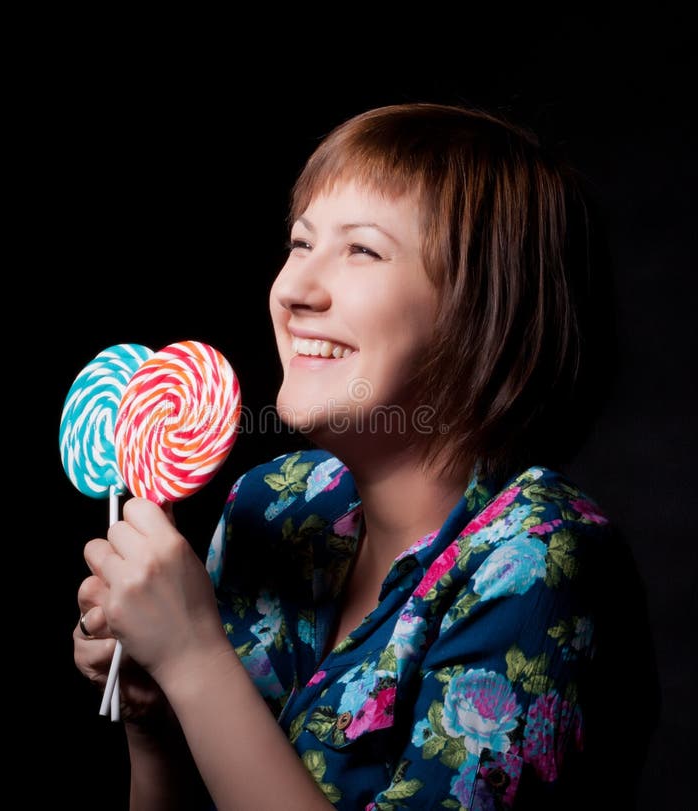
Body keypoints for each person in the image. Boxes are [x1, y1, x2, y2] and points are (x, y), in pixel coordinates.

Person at [73, 103, 657, 809]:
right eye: (299, 243)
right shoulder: (279, 503)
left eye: (362, 250)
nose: (293, 290)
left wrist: (194, 657)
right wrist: (154, 719)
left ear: (483, 312)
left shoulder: (543, 558)